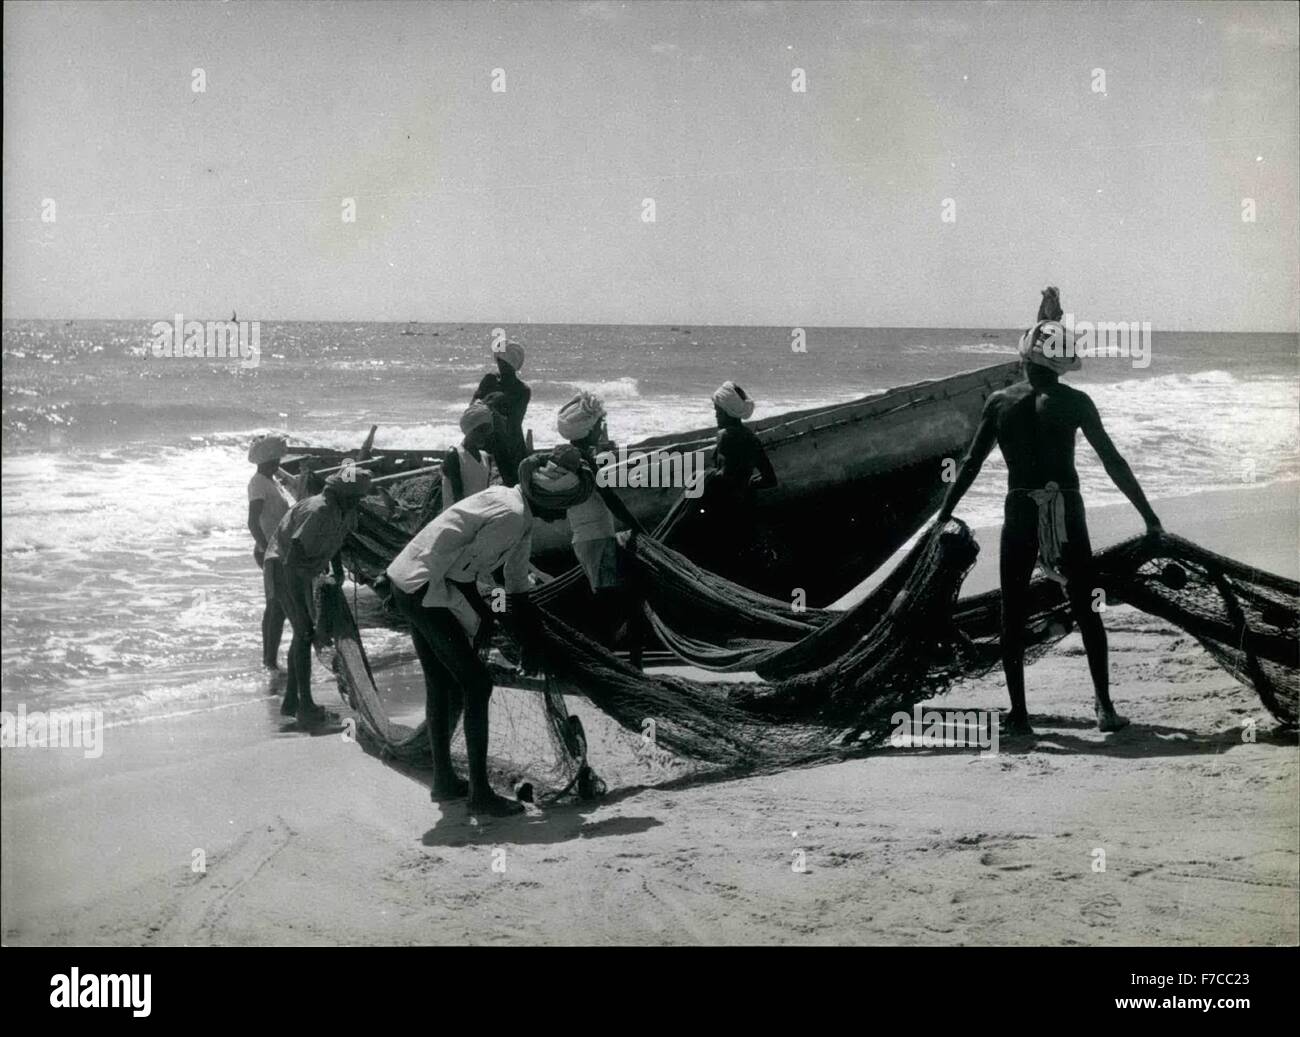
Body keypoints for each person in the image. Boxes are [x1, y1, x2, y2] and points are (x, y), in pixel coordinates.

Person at [937, 287, 1162, 736]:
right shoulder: (1076, 402)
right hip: (1068, 507)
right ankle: (1104, 709)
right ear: (1061, 364)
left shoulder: (1000, 402)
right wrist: (1148, 516)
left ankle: (1019, 715)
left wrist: (944, 513)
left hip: (1020, 507)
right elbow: (1113, 461)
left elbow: (971, 464)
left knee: (1012, 611)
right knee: (1085, 606)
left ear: (1025, 357)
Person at [385, 448, 593, 817]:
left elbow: (514, 589)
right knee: (477, 684)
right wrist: (485, 621)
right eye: (562, 507)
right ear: (546, 499)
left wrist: (528, 638)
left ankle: (444, 781)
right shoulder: (511, 516)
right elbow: (464, 577)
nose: (562, 516)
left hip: (413, 578)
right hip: (422, 584)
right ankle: (479, 794)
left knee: (442, 682)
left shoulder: (520, 517)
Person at [264, 469, 373, 725]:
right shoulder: (319, 510)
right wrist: (301, 604)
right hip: (284, 567)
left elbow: (337, 540)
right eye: (355, 497)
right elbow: (293, 559)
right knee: (304, 630)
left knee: (302, 633)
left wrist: (335, 572)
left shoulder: (344, 510)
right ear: (341, 493)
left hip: (304, 569)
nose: (358, 502)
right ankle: (305, 706)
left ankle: (292, 699)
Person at [555, 391, 647, 665]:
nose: (601, 430)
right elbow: (610, 498)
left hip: (586, 539)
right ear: (587, 429)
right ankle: (618, 666)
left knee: (611, 602)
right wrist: (636, 525)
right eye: (598, 425)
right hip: (598, 539)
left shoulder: (569, 460)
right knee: (618, 604)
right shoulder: (585, 461)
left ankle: (618, 662)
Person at [665, 381, 778, 579]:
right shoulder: (752, 438)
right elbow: (770, 479)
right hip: (745, 511)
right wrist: (746, 485)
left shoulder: (724, 435)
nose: (716, 416)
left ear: (727, 412)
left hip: (724, 512)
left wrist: (702, 477)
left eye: (718, 411)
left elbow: (724, 477)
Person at [247, 434, 290, 669]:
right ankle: (269, 660)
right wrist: (266, 549)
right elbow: (252, 522)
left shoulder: (271, 481)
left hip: (277, 550)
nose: (279, 464)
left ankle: (270, 659)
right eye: (275, 460)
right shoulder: (259, 483)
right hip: (269, 550)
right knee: (276, 605)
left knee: (278, 605)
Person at [471, 339, 530, 486]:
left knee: (515, 484)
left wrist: (494, 407)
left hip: (511, 444)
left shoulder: (522, 390)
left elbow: (514, 424)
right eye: (499, 361)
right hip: (486, 438)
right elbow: (472, 408)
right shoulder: (489, 380)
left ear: (513, 366)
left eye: (504, 363)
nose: (501, 366)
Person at [440, 401, 500, 513]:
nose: (484, 435)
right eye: (480, 430)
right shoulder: (454, 455)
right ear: (470, 429)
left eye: (487, 431)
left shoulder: (486, 458)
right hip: (455, 518)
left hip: (476, 516)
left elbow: (483, 493)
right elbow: (458, 497)